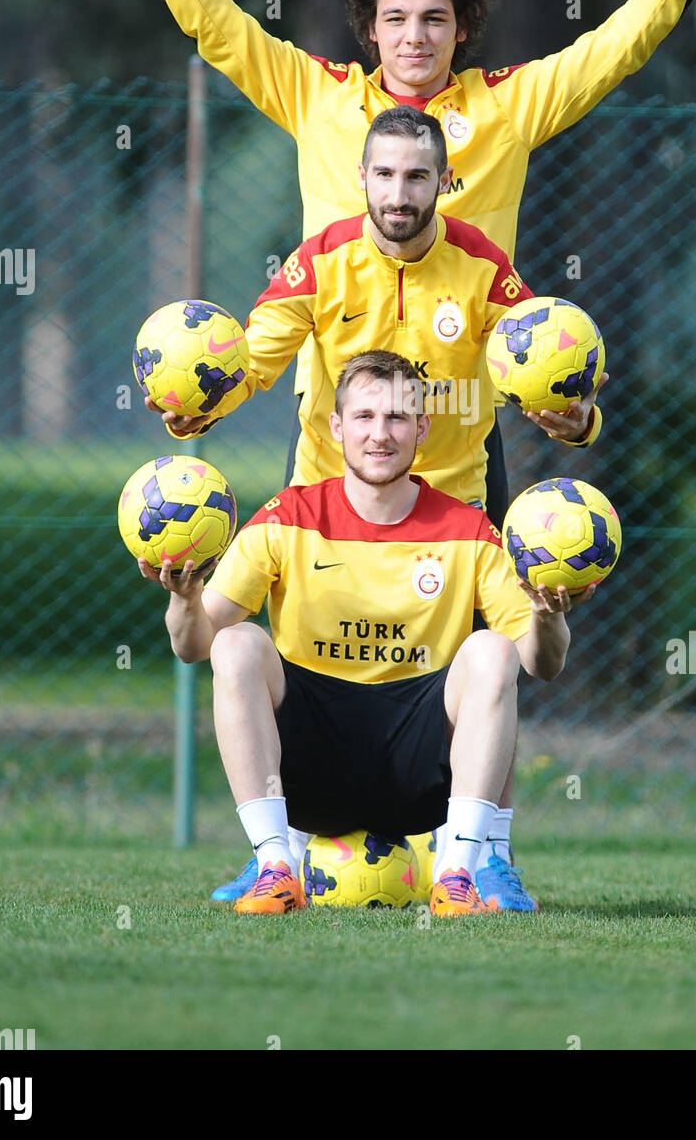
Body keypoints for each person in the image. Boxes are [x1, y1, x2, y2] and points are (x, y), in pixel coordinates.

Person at [99, 0, 696, 512]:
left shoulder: (506, 108)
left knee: (474, 621)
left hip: (460, 434)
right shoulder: (319, 97)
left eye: (435, 19)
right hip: (334, 433)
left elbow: (613, 50)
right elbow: (220, 28)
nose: (414, 36)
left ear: (463, 29)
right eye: (395, 19)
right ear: (369, 30)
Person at [138, 349, 601, 915]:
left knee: (491, 649)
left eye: (396, 418)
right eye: (364, 417)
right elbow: (193, 647)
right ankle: (274, 865)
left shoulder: (468, 528)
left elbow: (541, 663)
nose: (380, 434)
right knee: (236, 642)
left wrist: (549, 616)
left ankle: (458, 872)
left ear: (422, 428)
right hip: (310, 774)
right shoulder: (287, 517)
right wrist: (183, 599)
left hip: (422, 776)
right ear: (336, 427)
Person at [149, 106, 604, 512]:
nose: (398, 197)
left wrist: (579, 422)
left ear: (444, 181)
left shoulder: (483, 264)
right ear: (362, 177)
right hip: (328, 496)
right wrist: (199, 410)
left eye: (417, 177)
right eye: (384, 174)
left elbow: (540, 366)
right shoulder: (318, 259)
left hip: (451, 505)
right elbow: (249, 365)